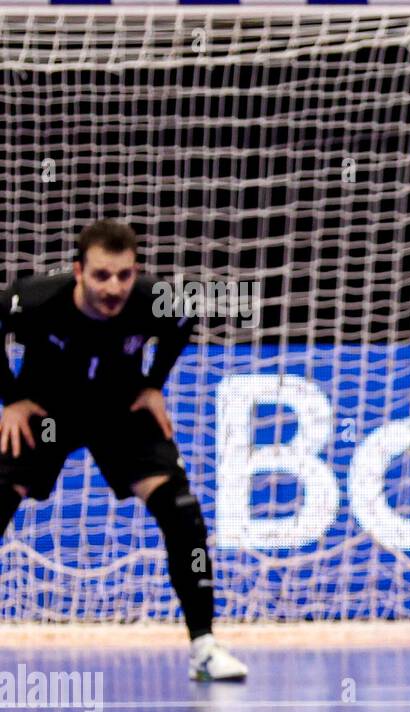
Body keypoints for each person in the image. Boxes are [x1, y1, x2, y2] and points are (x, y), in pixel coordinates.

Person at [0, 219, 246, 681]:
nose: (113, 287)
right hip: (46, 411)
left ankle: (204, 647)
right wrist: (10, 397)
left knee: (183, 513)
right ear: (78, 271)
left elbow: (180, 324)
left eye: (124, 275)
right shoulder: (35, 299)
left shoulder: (154, 299)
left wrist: (154, 385)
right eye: (101, 276)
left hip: (118, 409)